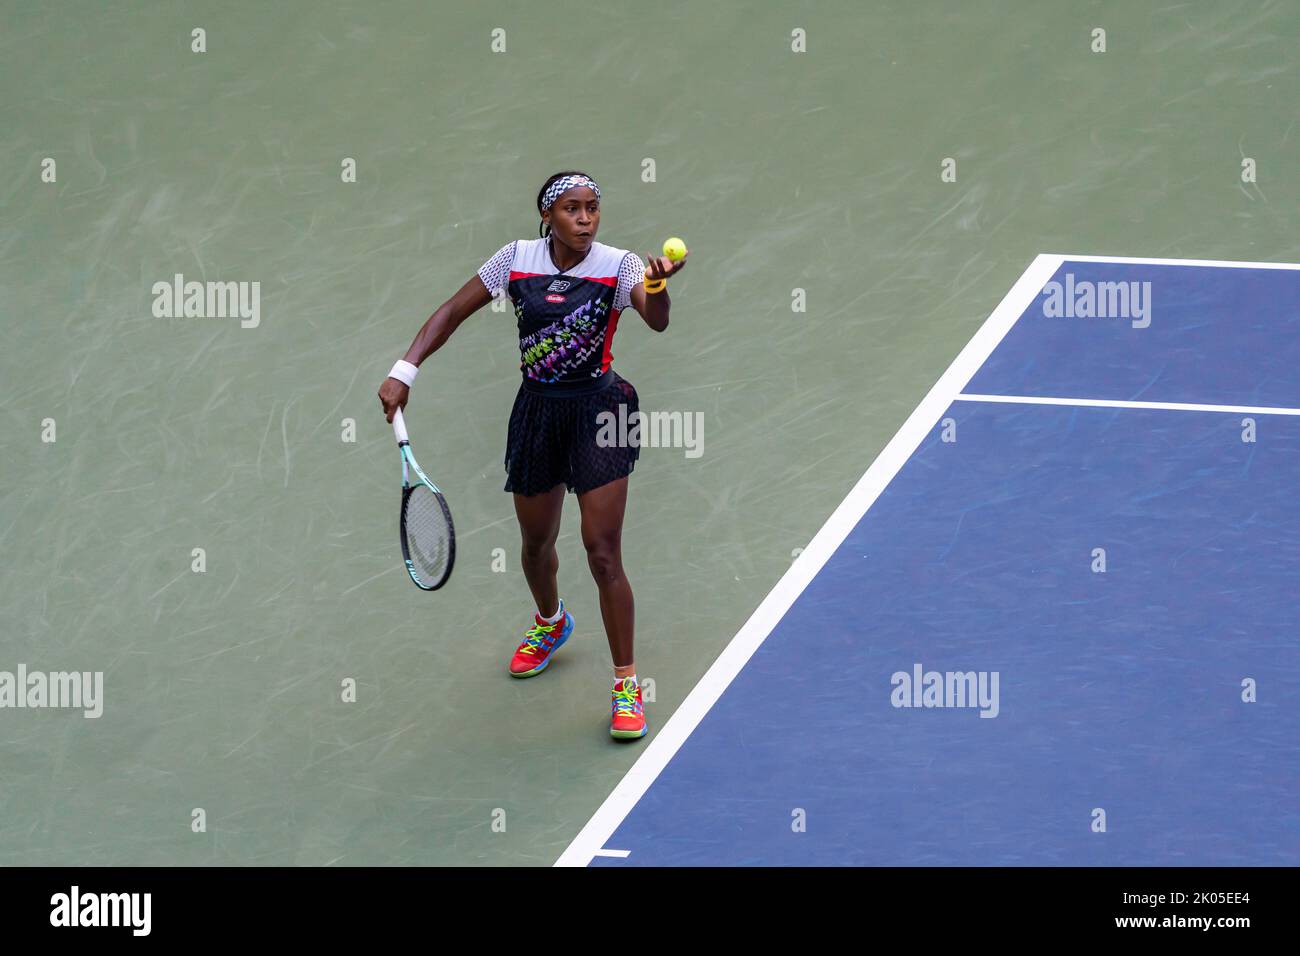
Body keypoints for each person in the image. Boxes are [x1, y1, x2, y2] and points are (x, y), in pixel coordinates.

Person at [378, 171, 687, 740]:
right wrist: (405, 370)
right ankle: (551, 621)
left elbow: (657, 320)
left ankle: (626, 684)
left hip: (600, 414)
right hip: (538, 415)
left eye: (593, 208)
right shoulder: (515, 259)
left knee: (602, 552)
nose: (587, 219)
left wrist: (660, 286)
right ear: (547, 216)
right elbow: (451, 311)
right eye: (573, 209)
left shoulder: (618, 266)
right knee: (536, 544)